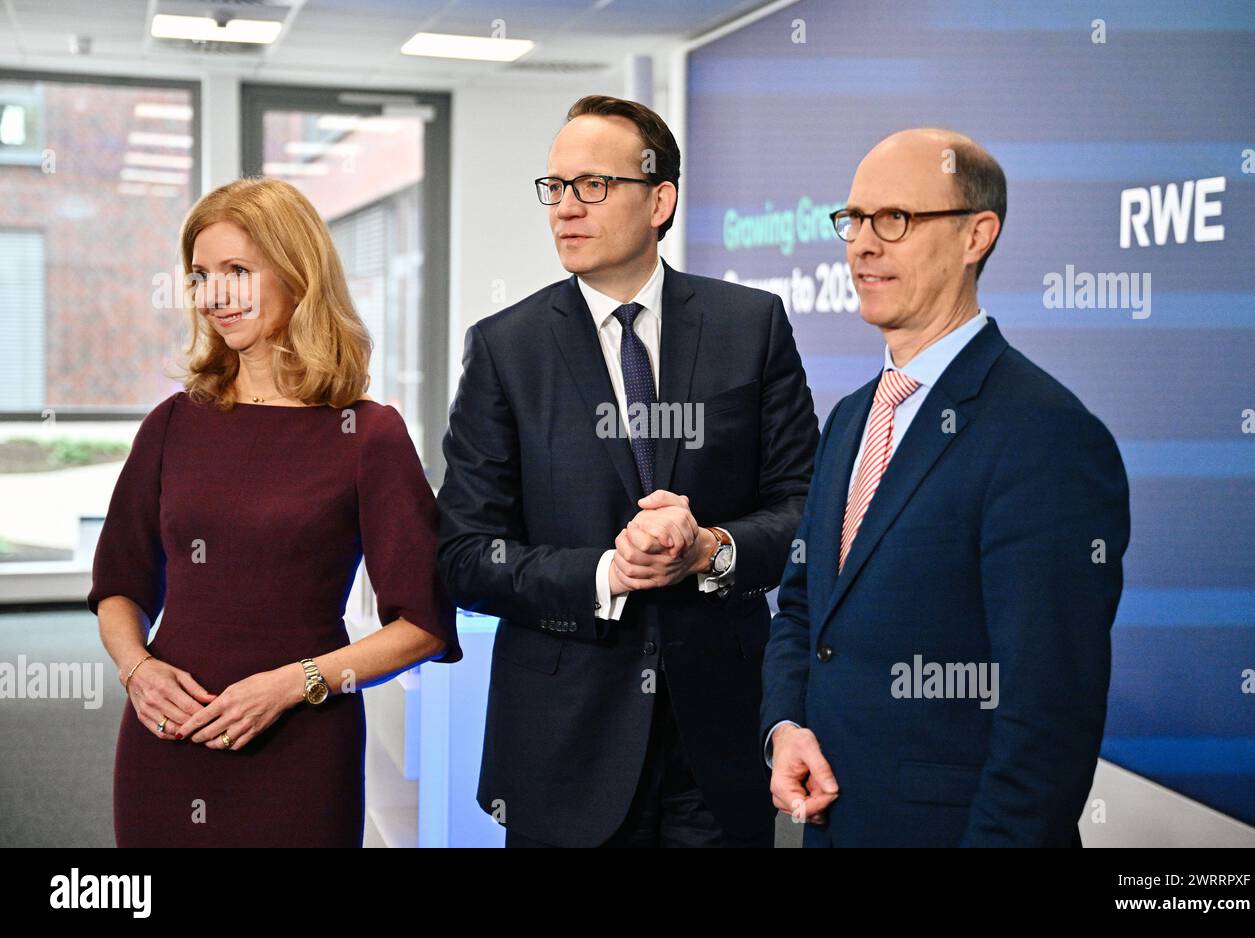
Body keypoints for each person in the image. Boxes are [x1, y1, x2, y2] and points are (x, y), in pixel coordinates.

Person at [438, 95, 819, 847]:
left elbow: (805, 507)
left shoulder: (752, 325)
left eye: (593, 185)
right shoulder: (505, 350)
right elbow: (464, 553)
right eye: (554, 187)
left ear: (660, 199)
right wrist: (609, 572)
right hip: (562, 750)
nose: (564, 209)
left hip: (718, 743)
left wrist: (711, 547)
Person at [761, 128, 1130, 847]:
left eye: (894, 219)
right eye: (854, 220)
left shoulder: (1044, 434)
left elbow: (1047, 716)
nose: (863, 244)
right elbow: (805, 612)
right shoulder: (849, 419)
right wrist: (786, 728)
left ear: (976, 236)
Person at [88, 176, 460, 847]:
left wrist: (296, 684)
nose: (215, 295)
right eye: (201, 275)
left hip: (302, 745)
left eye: (238, 271)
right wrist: (136, 670)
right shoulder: (173, 424)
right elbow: (119, 584)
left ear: (298, 275)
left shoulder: (367, 434)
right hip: (168, 740)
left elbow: (424, 626)